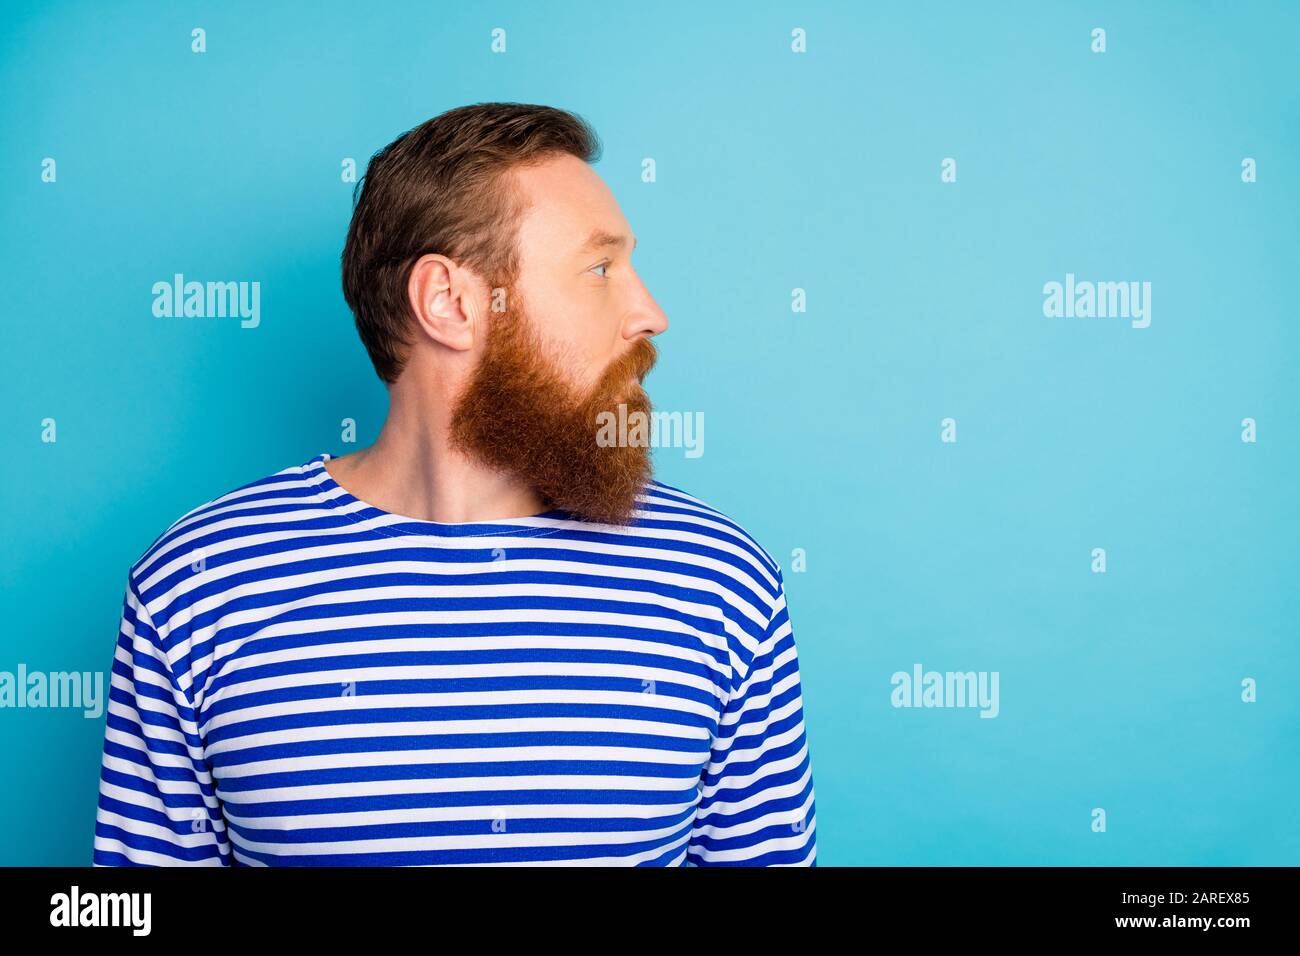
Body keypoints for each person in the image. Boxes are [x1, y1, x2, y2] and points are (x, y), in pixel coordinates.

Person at [93, 103, 817, 866]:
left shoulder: (720, 582)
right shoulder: (199, 584)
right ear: (450, 301)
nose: (651, 314)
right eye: (600, 268)